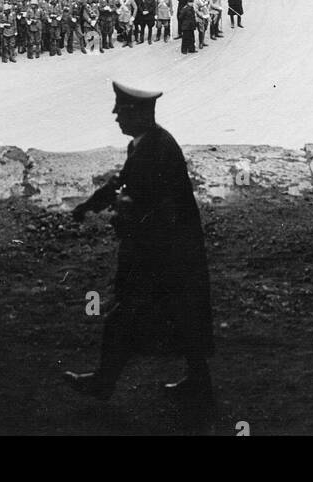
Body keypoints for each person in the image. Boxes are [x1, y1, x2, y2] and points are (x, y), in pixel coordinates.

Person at [65, 79, 214, 426]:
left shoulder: (154, 148)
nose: (115, 115)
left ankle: (103, 383)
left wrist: (121, 212)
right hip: (169, 249)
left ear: (138, 114)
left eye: (121, 110)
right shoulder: (147, 143)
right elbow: (122, 180)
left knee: (124, 316)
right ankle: (200, 384)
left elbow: (148, 202)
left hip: (163, 251)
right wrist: (91, 204)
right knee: (181, 315)